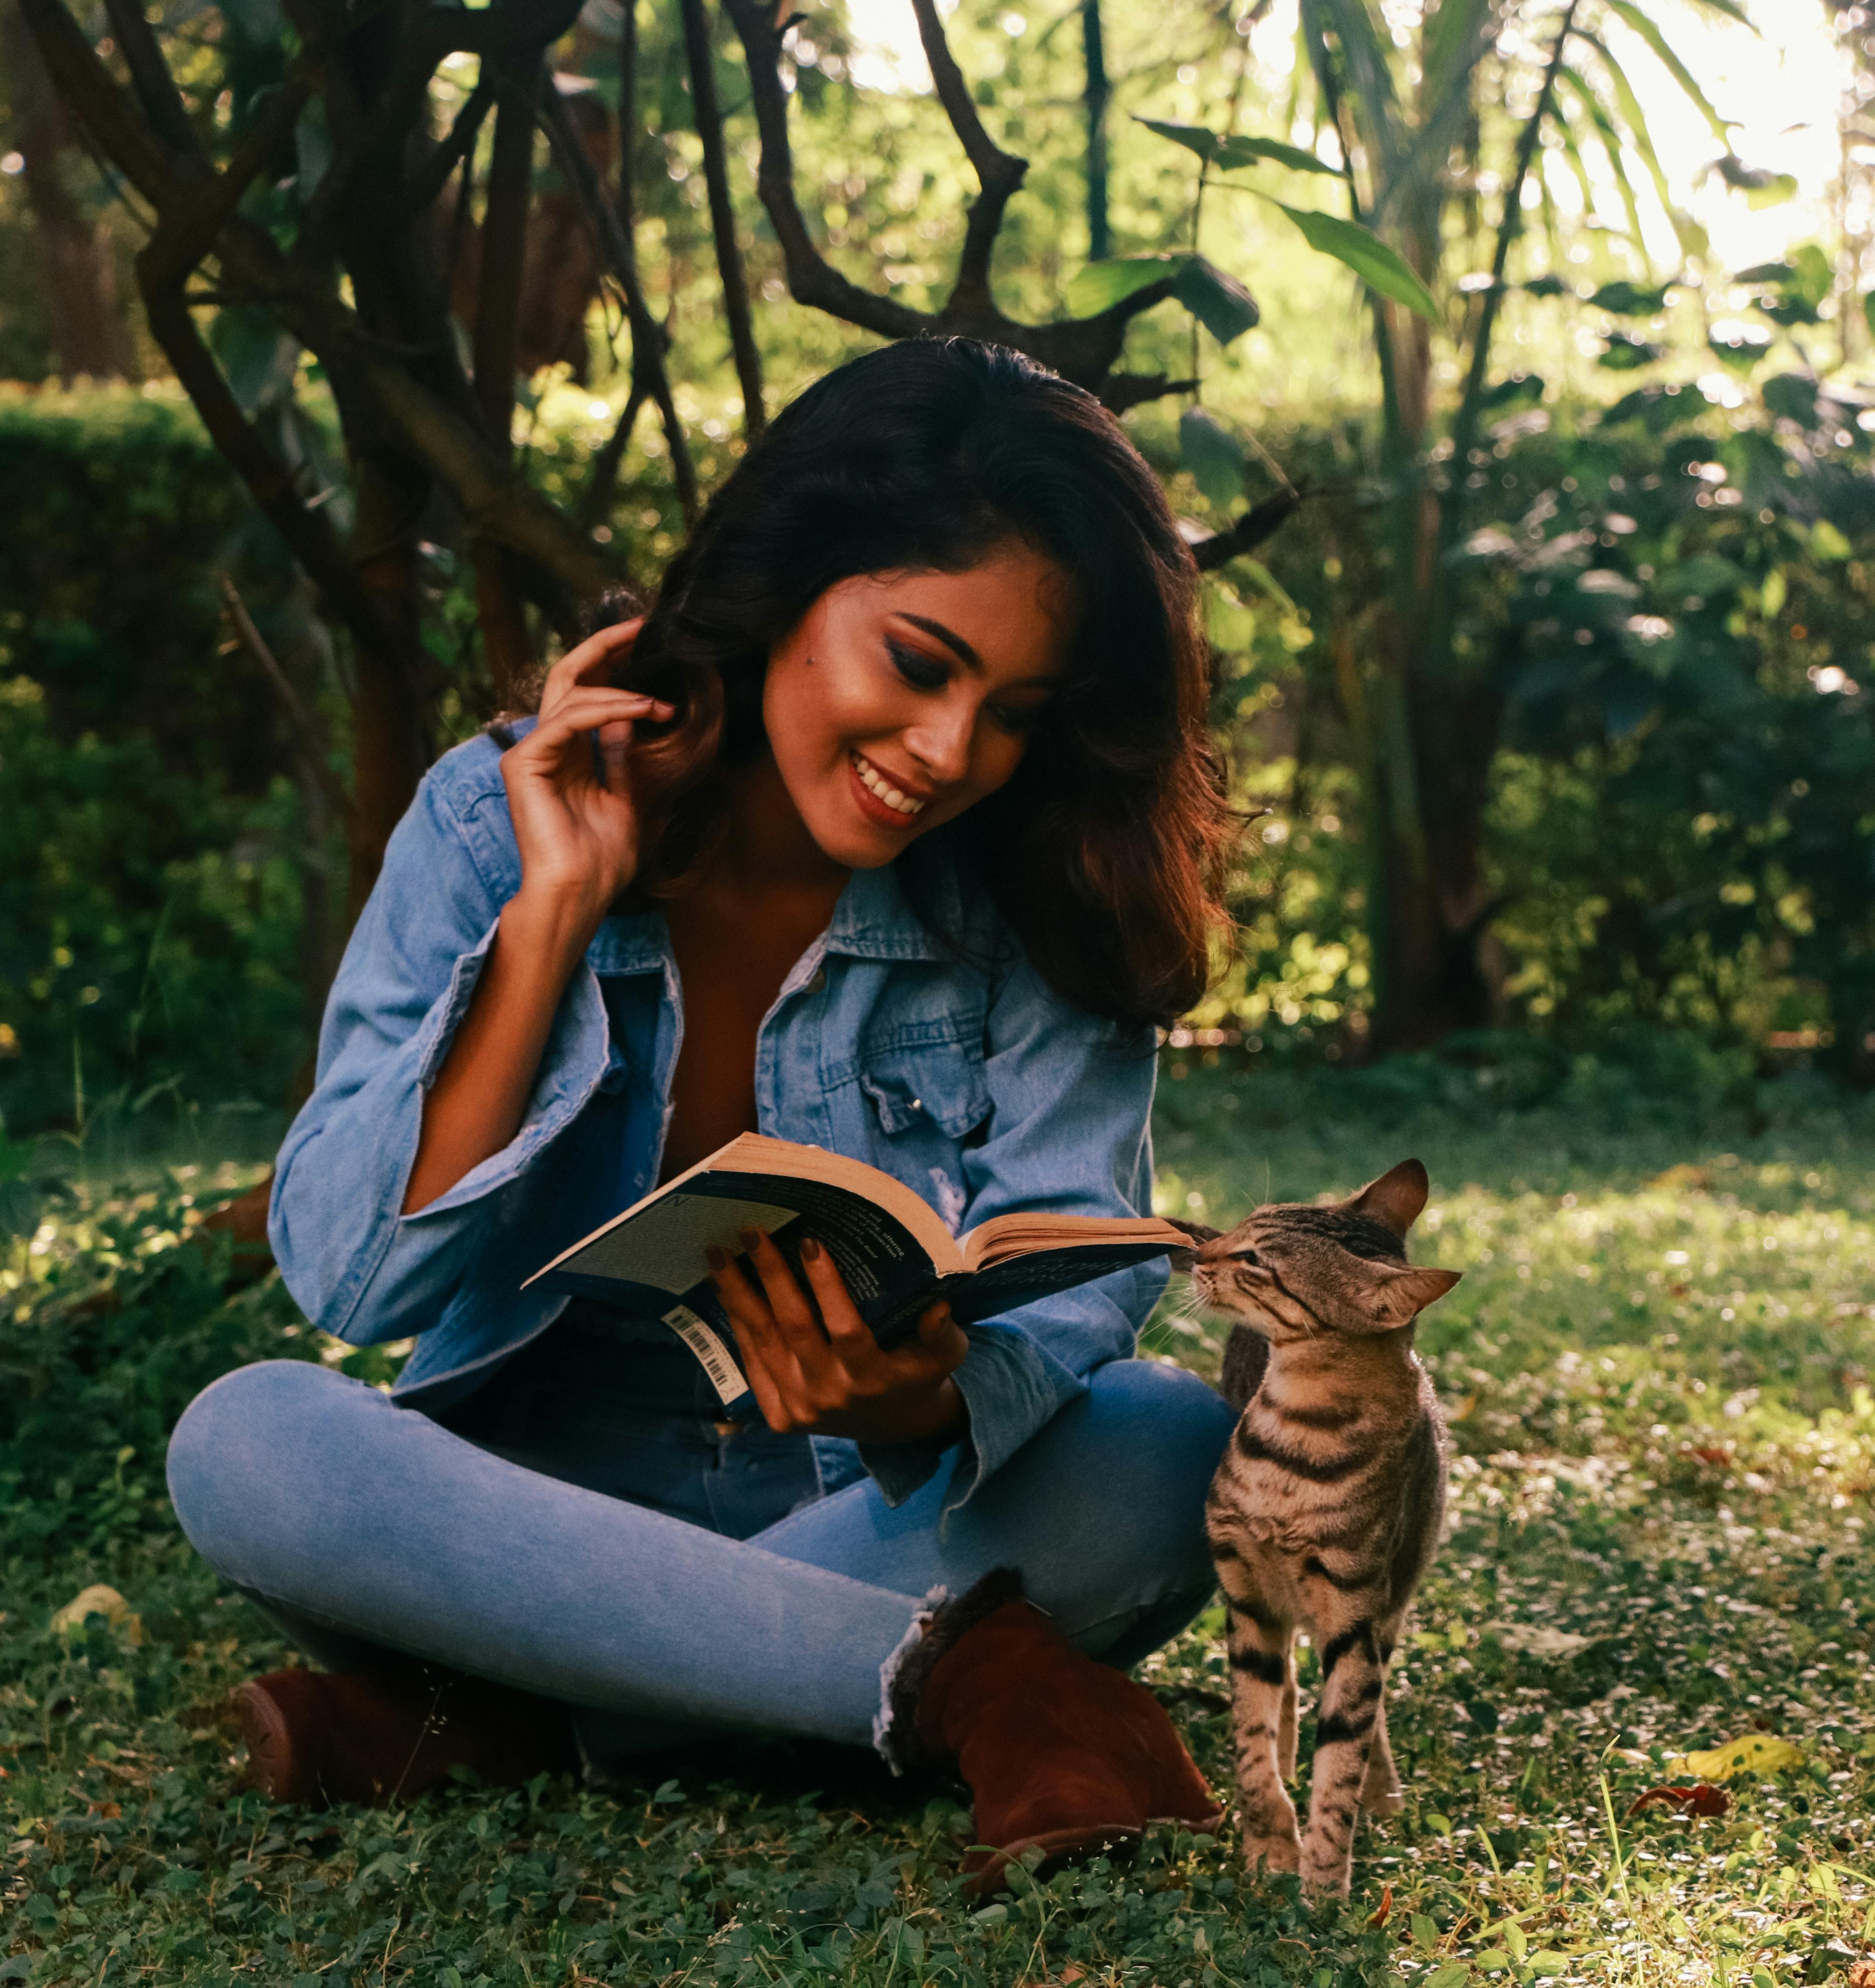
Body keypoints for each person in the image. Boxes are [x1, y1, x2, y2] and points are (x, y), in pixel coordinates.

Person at [164, 338, 1241, 1890]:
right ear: (792, 582)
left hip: (874, 1507)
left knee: (1169, 1441)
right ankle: (965, 1689)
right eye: (919, 663)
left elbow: (1078, 1261)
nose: (949, 754)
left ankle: (524, 1722)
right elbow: (351, 1281)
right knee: (250, 1442)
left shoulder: (1042, 880)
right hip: (514, 1513)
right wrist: (551, 918)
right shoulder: (496, 815)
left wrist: (919, 1404)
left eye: (1015, 710)